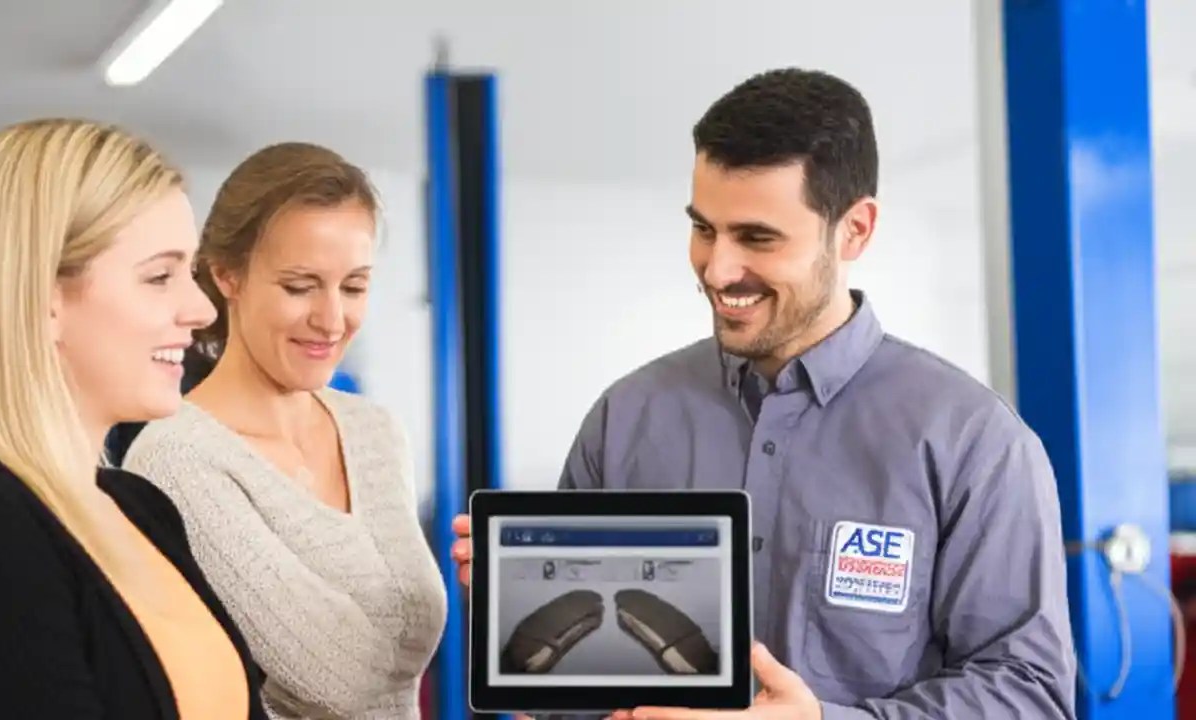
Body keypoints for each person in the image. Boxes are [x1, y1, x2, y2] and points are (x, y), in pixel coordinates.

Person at [451, 68, 1077, 719]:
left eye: (757, 238)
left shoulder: (971, 442)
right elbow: (565, 697)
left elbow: (1028, 694)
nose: (718, 270)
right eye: (703, 229)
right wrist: (519, 627)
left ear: (855, 230)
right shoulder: (626, 419)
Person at [0, 118, 269, 719]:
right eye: (159, 276)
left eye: (189, 274)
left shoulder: (139, 507)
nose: (201, 308)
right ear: (43, 300)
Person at [122, 141, 448, 719]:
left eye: (354, 287)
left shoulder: (374, 431)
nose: (331, 320)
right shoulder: (175, 459)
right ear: (227, 275)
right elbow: (340, 675)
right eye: (299, 286)